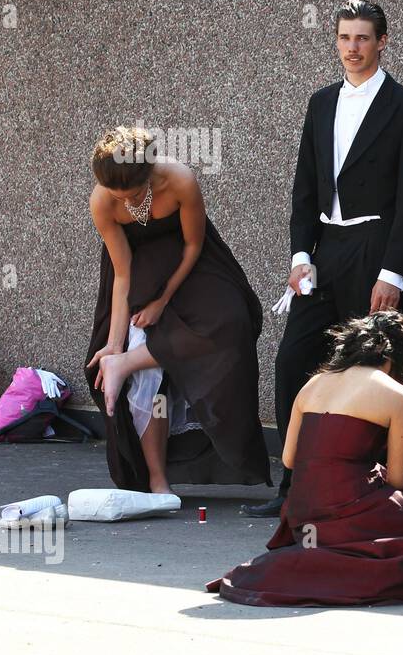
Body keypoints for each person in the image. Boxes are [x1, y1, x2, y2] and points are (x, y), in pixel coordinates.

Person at [244, 0, 403, 517]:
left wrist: (393, 274)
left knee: (374, 370)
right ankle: (294, 488)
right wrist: (300, 254)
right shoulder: (320, 103)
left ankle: (366, 491)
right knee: (292, 362)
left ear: (382, 42)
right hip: (324, 252)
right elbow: (304, 187)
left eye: (363, 38)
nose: (352, 48)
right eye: (344, 37)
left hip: (377, 250)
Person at [207, 312, 403, 606]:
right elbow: (398, 480)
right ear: (398, 358)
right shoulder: (398, 396)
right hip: (351, 508)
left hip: (302, 514)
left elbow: (289, 460)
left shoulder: (313, 384)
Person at [84, 125, 271, 493]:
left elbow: (192, 246)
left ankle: (127, 363)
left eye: (134, 194)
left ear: (150, 173)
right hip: (137, 271)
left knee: (230, 324)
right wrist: (115, 341)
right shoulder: (102, 201)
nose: (125, 203)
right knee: (140, 348)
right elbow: (123, 273)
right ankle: (156, 479)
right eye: (117, 196)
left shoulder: (180, 180)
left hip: (194, 265)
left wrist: (162, 300)